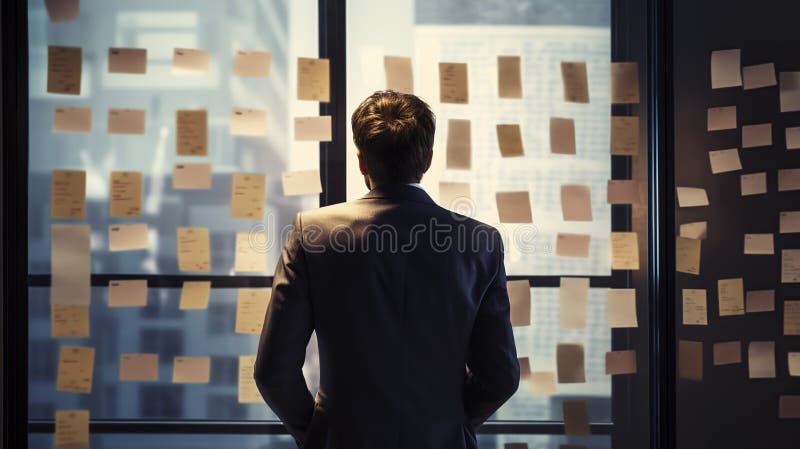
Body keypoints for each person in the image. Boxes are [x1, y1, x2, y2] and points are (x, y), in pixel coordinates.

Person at [254, 90, 519, 449]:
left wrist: (319, 433)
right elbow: (500, 376)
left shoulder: (313, 235)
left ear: (362, 162)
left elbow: (274, 372)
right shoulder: (480, 242)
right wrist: (449, 421)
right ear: (426, 159)